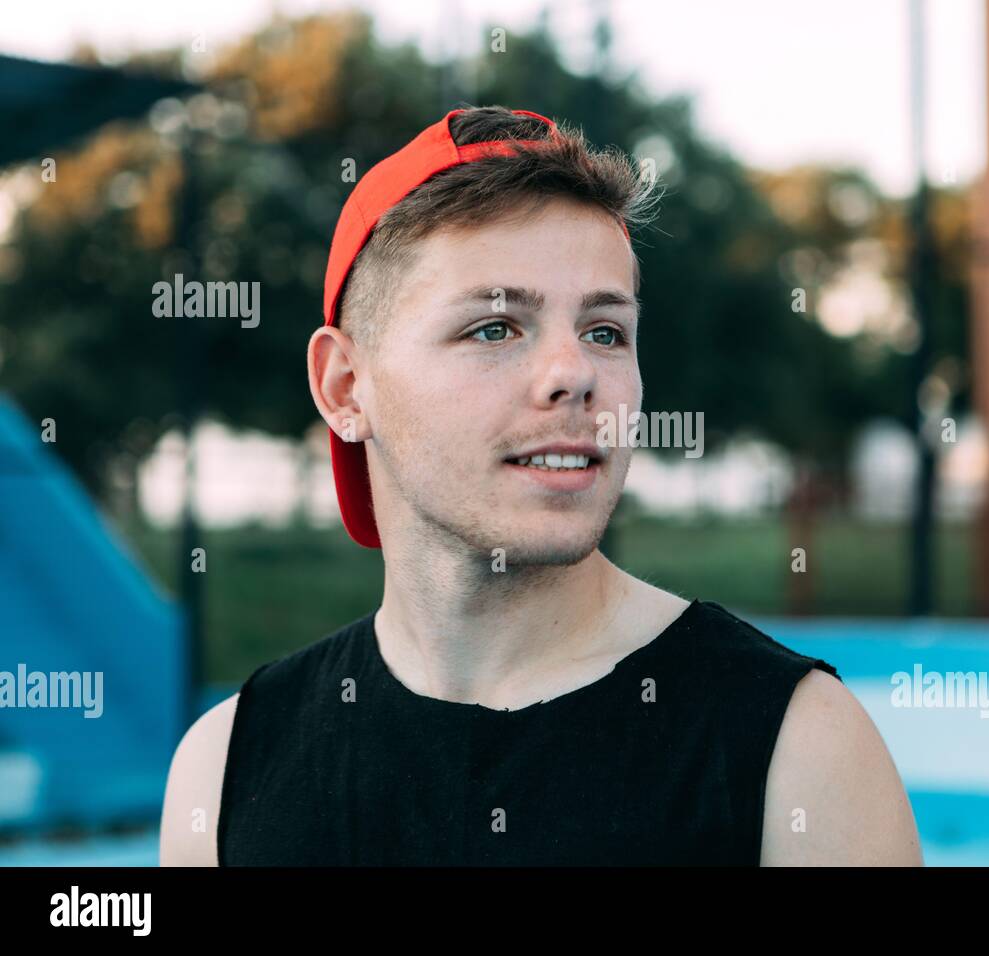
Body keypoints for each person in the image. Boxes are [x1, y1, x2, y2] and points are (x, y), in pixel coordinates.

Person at [159, 105, 922, 866]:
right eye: (495, 328)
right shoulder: (223, 773)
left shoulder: (797, 754)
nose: (574, 374)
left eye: (604, 331)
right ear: (346, 387)